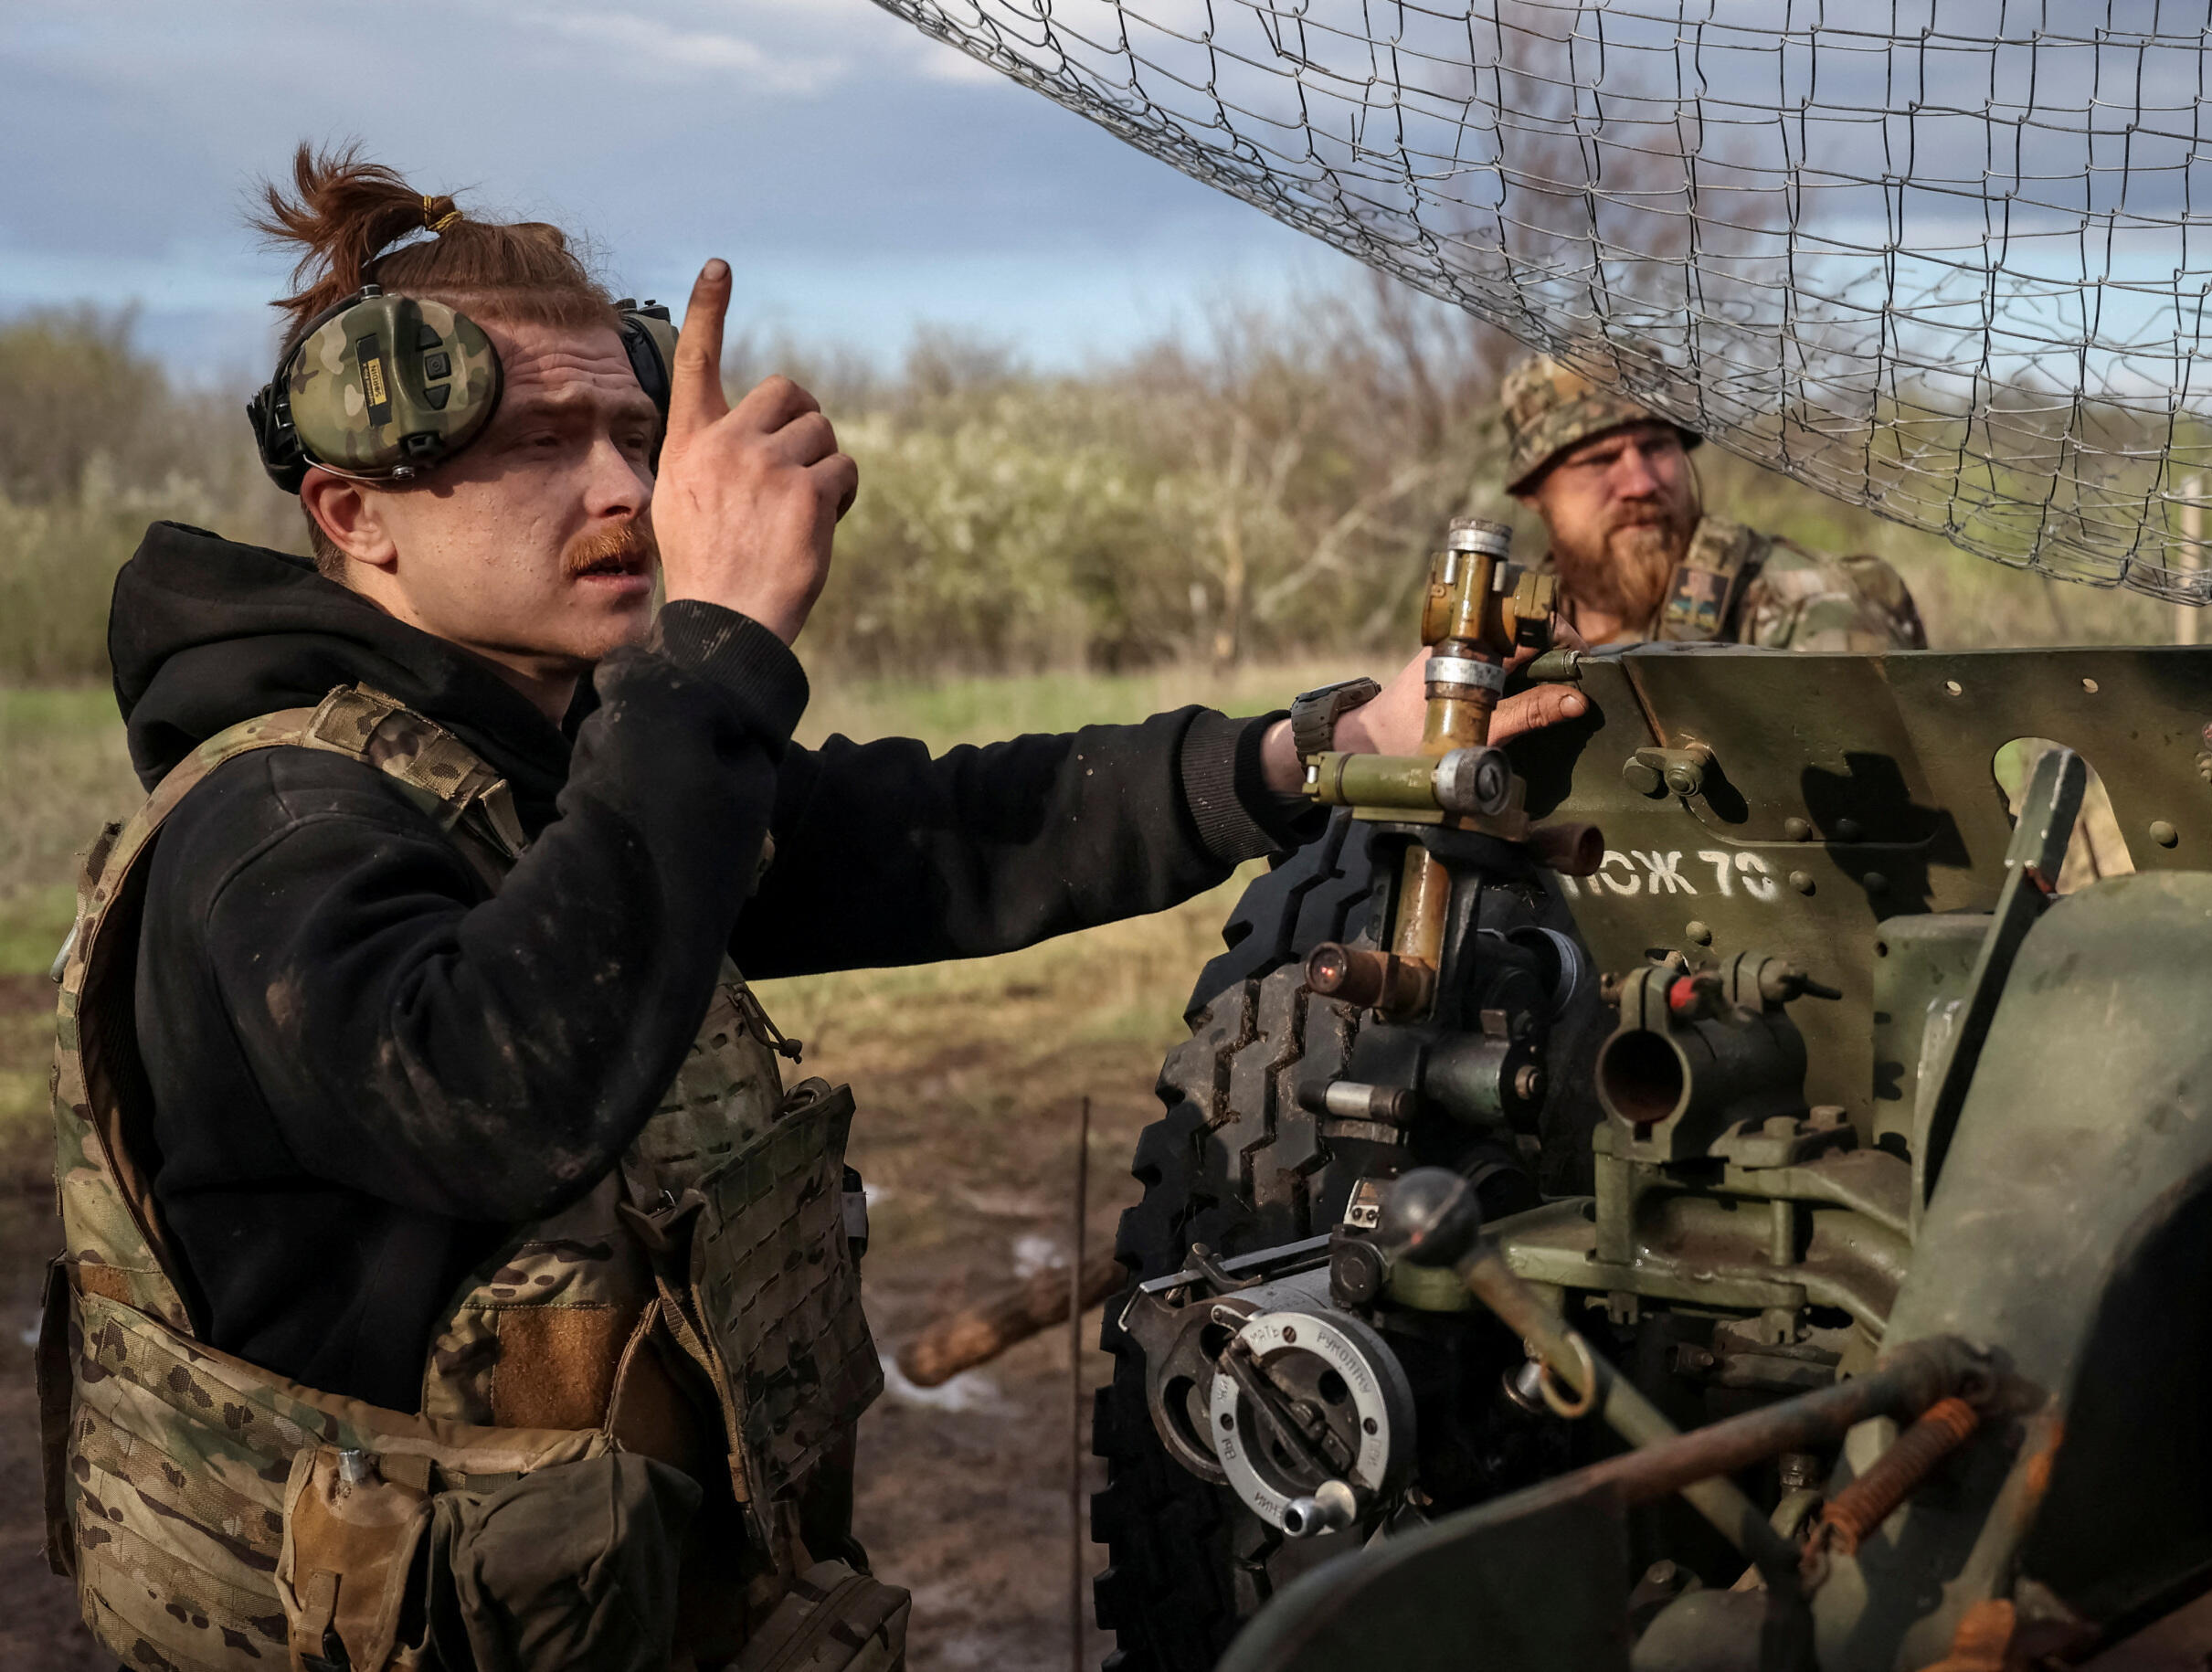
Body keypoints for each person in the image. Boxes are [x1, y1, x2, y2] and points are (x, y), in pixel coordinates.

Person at [39, 147, 1585, 1672]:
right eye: (536, 441)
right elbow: (494, 1091)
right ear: (356, 513)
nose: (620, 492)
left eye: (634, 433)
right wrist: (709, 642)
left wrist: (1320, 749)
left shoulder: (548, 778)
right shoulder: (274, 826)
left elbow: (945, 833)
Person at [1492, 355, 1928, 651]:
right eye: (1599, 461)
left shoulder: (1802, 606)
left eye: (1657, 448)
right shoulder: (1506, 624)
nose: (1641, 484)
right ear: (1532, 493)